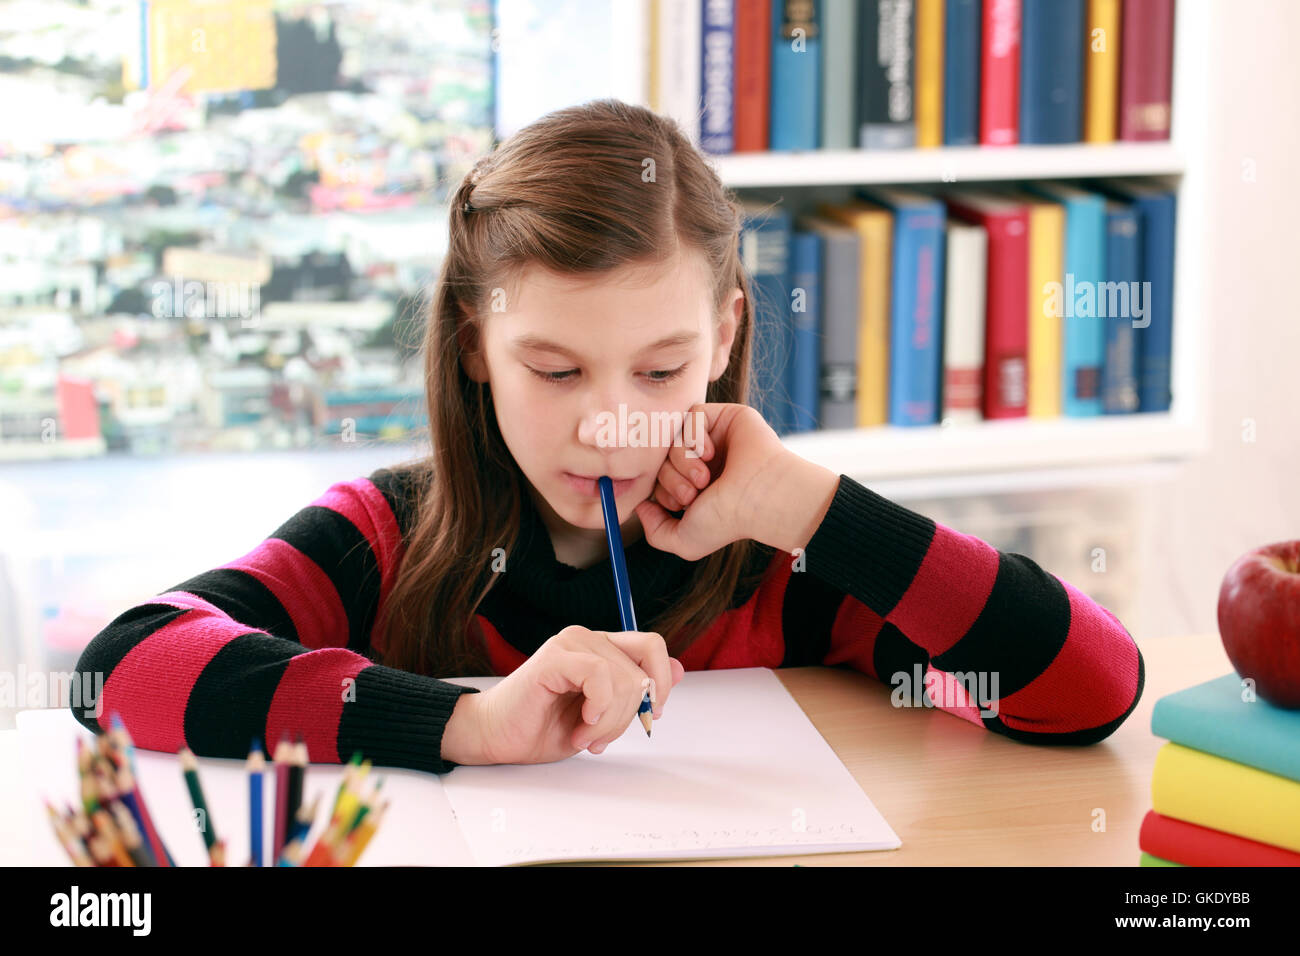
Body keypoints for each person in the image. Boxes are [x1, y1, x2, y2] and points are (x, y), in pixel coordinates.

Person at [71, 99, 1144, 774]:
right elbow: (119, 666)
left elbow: (1087, 689)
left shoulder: (787, 561)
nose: (610, 419)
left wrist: (815, 510)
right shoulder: (385, 537)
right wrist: (466, 724)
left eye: (662, 367)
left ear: (726, 336)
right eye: (553, 368)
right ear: (473, 344)